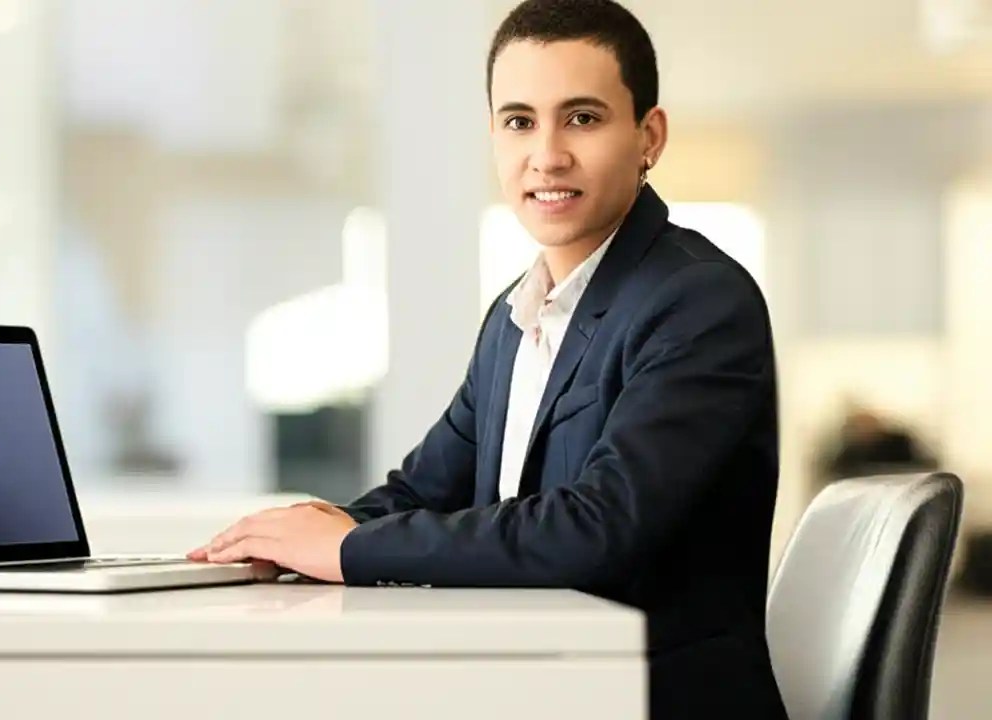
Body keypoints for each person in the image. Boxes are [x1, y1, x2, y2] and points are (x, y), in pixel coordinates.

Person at [188, 1, 788, 716]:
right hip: (539, 689)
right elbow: (422, 492)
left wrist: (347, 549)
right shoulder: (514, 316)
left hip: (654, 701)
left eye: (582, 118)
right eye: (519, 121)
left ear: (648, 137)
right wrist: (297, 538)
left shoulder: (699, 300)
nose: (548, 155)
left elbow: (599, 528)